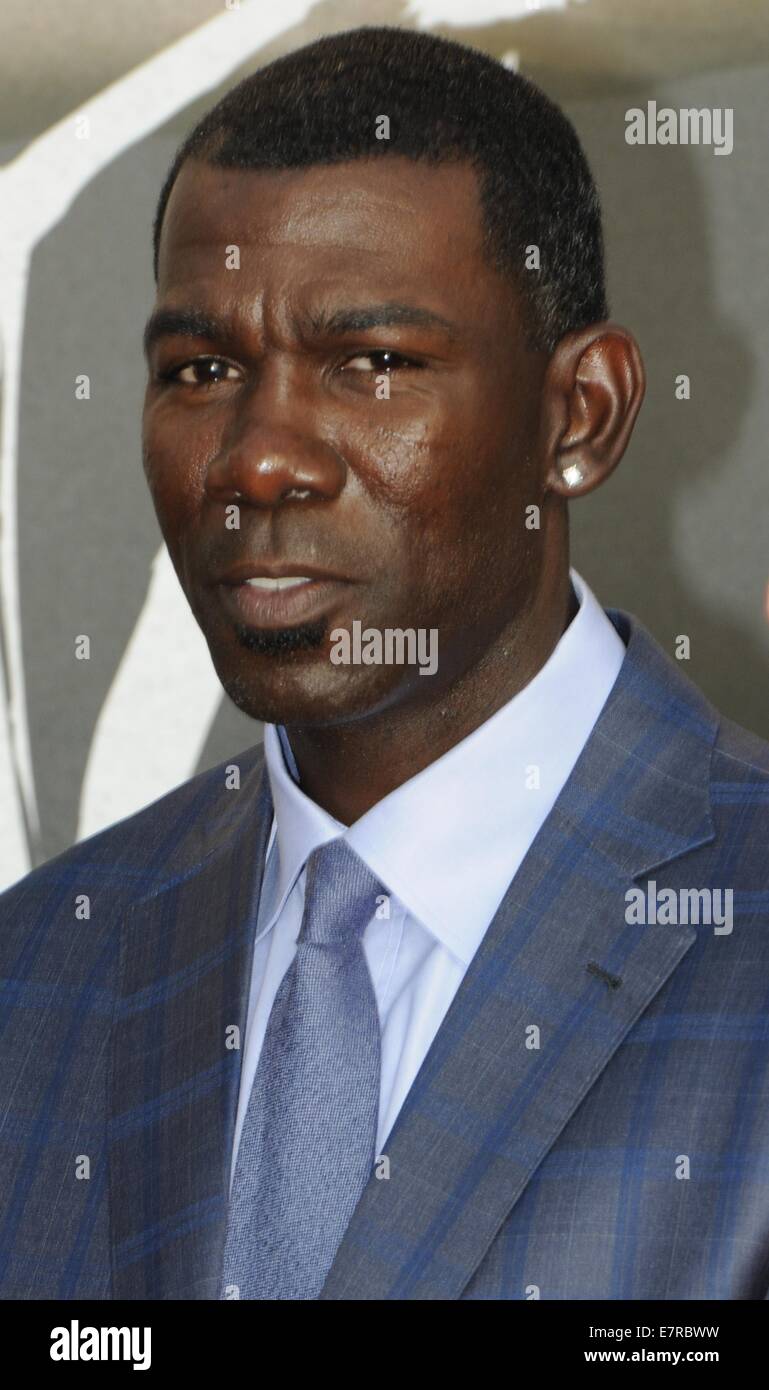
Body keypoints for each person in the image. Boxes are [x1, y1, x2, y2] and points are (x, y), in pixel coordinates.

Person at [1, 25, 767, 1302]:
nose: (257, 460)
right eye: (201, 370)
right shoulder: (36, 976)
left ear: (579, 417)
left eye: (373, 365)